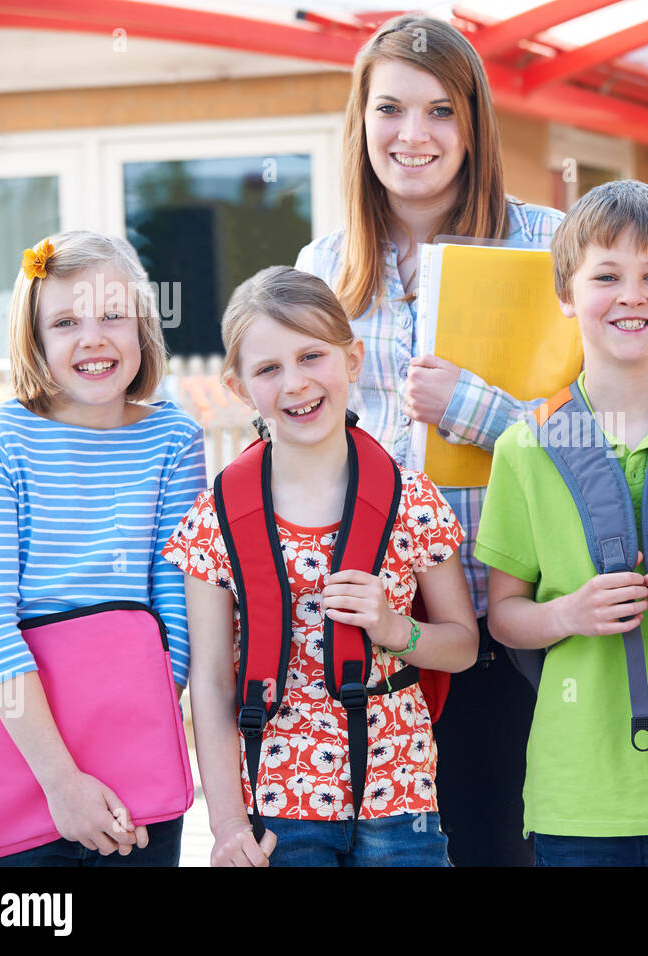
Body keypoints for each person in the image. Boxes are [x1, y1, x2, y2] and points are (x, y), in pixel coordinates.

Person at [295, 13, 564, 867]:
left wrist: (479, 410)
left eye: (442, 111)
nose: (414, 135)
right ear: (361, 122)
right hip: (378, 623)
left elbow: (608, 437)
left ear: (475, 123)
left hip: (514, 615)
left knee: (501, 846)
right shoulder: (325, 265)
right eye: (391, 109)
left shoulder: (551, 243)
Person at [476, 179, 648, 866]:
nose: (632, 295)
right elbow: (504, 614)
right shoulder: (524, 447)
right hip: (577, 799)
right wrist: (568, 613)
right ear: (567, 296)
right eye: (607, 275)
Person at [164, 266, 478, 867]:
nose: (296, 383)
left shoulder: (413, 502)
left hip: (401, 800)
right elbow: (210, 680)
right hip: (277, 807)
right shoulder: (217, 519)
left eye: (313, 356)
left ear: (353, 359)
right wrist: (228, 823)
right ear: (237, 386)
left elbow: (462, 646)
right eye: (268, 369)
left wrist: (395, 629)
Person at [0, 231, 206, 865]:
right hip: (20, 757)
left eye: (112, 316)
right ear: (35, 340)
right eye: (65, 321)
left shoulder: (174, 440)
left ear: (142, 329)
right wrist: (63, 780)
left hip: (135, 763)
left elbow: (175, 617)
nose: (92, 338)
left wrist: (122, 745)